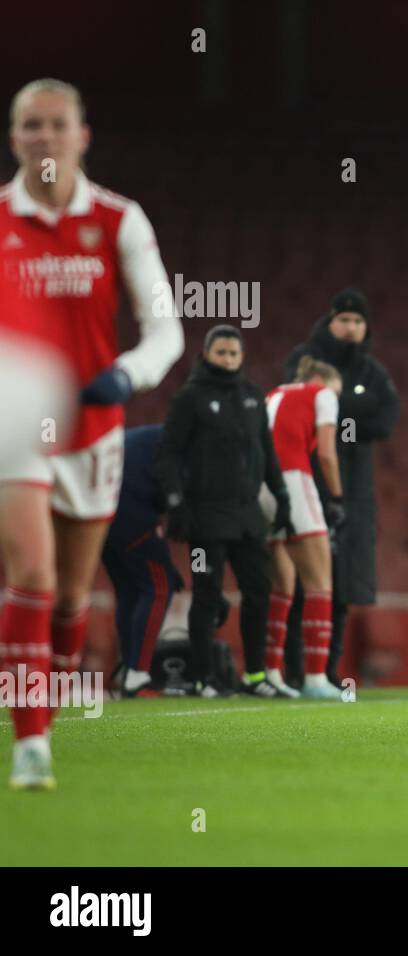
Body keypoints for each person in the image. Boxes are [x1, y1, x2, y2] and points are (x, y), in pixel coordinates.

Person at [0, 78, 183, 790]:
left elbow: (165, 326)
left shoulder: (119, 220)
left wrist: (129, 373)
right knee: (32, 576)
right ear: (14, 138)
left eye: (57, 124)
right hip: (16, 428)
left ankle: (58, 681)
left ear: (83, 134)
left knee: (73, 598)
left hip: (95, 429)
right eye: (30, 125)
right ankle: (31, 746)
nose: (44, 137)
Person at [156, 326, 293, 698]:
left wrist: (281, 495)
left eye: (234, 353)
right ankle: (202, 679)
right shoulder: (190, 399)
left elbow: (266, 451)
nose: (228, 360)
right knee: (206, 594)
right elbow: (168, 453)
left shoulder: (251, 397)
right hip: (204, 519)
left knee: (259, 591)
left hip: (247, 517)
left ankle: (254, 676)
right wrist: (176, 504)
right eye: (222, 353)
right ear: (207, 354)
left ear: (241, 356)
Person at [282, 288, 399, 688]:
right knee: (299, 583)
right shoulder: (304, 359)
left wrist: (334, 406)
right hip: (305, 479)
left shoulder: (373, 371)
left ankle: (325, 672)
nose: (350, 328)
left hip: (355, 490)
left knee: (343, 586)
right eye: (344, 320)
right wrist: (352, 405)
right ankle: (295, 671)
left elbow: (386, 420)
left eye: (358, 321)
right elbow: (293, 409)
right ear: (330, 321)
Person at [260, 357, 346, 699]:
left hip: (260, 487)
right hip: (293, 480)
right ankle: (315, 680)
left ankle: (270, 673)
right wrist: (337, 498)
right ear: (321, 379)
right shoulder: (322, 392)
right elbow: (326, 453)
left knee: (281, 586)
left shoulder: (273, 393)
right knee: (320, 583)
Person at [101, 425, 183, 698]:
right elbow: (198, 532)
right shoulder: (190, 449)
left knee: (130, 589)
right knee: (159, 587)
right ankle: (138, 673)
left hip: (101, 511)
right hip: (131, 511)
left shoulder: (151, 435)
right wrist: (200, 567)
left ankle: (129, 669)